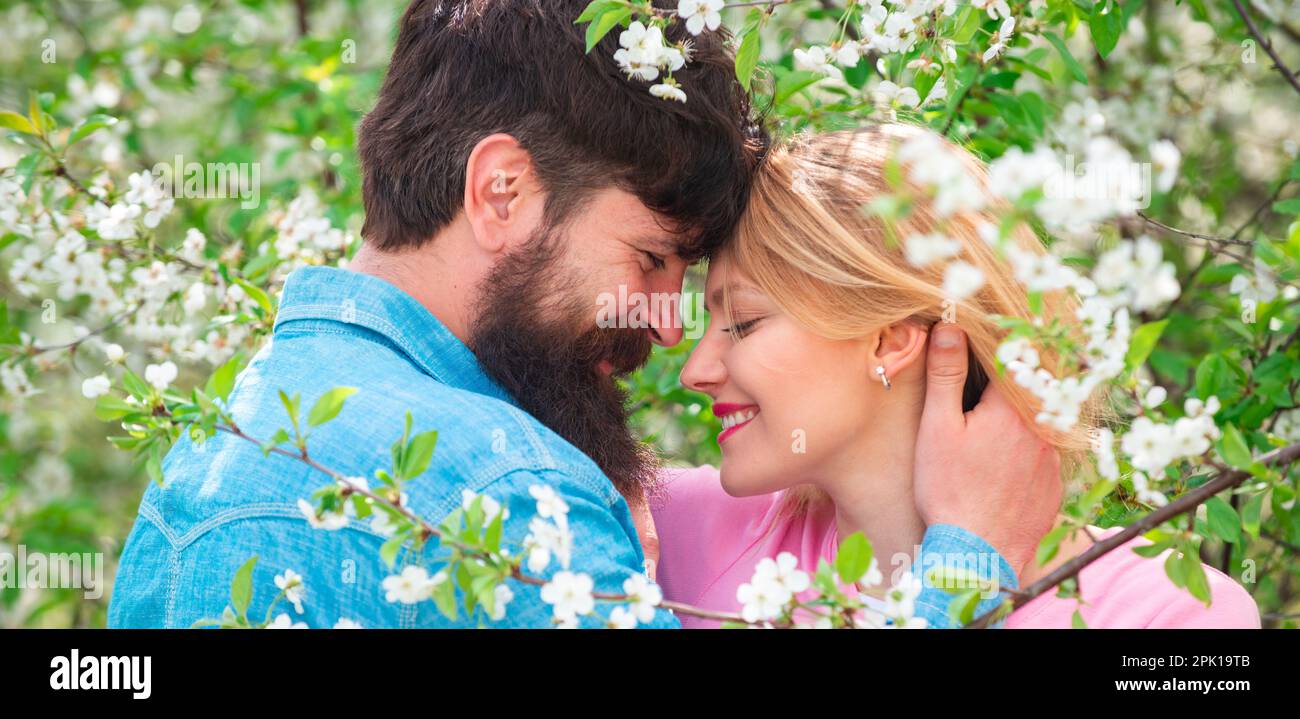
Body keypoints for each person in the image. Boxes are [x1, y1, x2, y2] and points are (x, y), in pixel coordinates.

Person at [108, 1, 1059, 629]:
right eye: (650, 260)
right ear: (504, 191)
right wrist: (965, 573)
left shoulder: (204, 456)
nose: (663, 324)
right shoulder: (507, 488)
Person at [651, 125, 1261, 628]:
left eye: (745, 322)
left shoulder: (1172, 615)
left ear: (891, 341)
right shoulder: (671, 528)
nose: (697, 371)